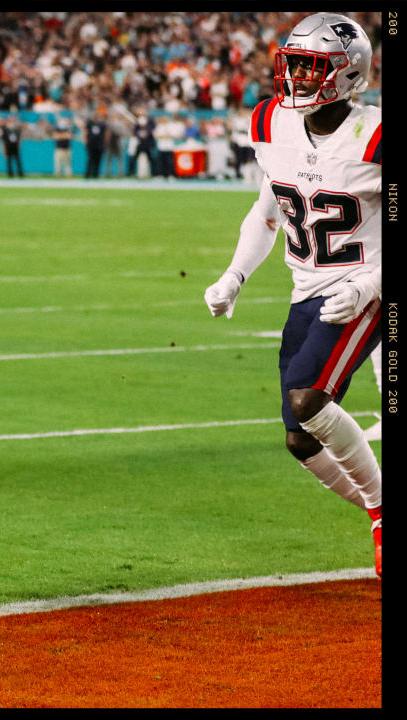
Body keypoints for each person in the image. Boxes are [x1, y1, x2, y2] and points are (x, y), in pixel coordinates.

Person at [203, 13, 382, 577]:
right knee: (299, 439)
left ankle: (381, 512)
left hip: (365, 289)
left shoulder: (373, 136)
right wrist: (235, 275)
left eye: (312, 66)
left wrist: (369, 286)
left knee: (309, 398)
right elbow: (267, 210)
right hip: (307, 292)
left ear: (347, 74)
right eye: (294, 64)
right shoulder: (272, 122)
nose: (298, 77)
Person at [83, 106, 107, 179]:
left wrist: (104, 144)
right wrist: (85, 141)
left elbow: (105, 134)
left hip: (99, 145)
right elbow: (85, 132)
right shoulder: (90, 123)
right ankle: (88, 174)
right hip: (91, 144)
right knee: (90, 159)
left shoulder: (102, 124)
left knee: (98, 160)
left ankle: (95, 174)